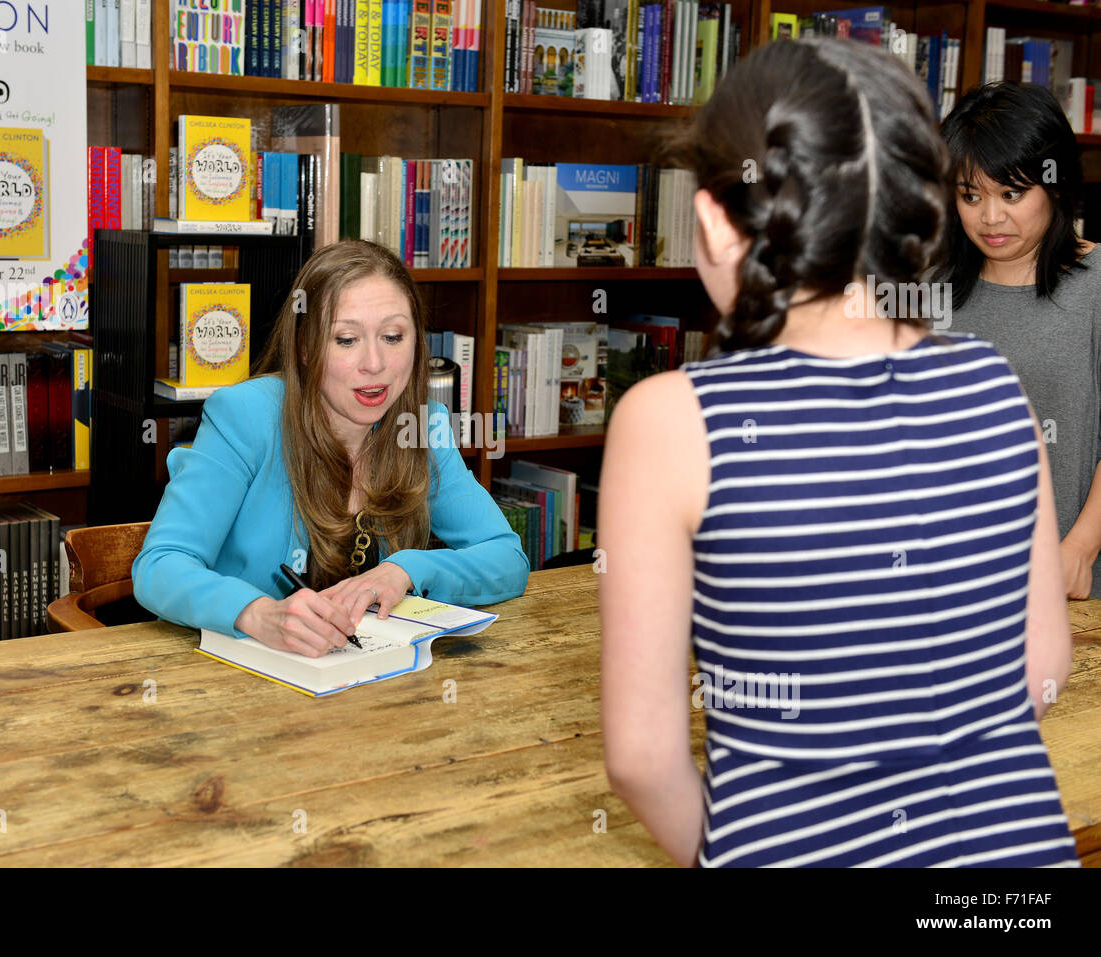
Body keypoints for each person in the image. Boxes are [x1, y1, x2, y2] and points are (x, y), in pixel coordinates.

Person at [599, 38, 1077, 867]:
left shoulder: (671, 419)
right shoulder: (994, 384)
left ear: (713, 219)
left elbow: (642, 757)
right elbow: (1043, 660)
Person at [132, 239, 529, 655]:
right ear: (305, 348)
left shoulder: (422, 428)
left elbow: (507, 559)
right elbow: (160, 566)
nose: (374, 363)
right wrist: (258, 614)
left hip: (372, 673)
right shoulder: (246, 416)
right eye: (346, 339)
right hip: (241, 673)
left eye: (393, 336)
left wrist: (405, 569)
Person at [938, 82, 1101, 600]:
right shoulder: (927, 290)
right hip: (949, 584)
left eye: (1012, 193)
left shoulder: (1096, 284)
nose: (990, 217)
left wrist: (1080, 549)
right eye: (970, 195)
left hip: (1068, 589)